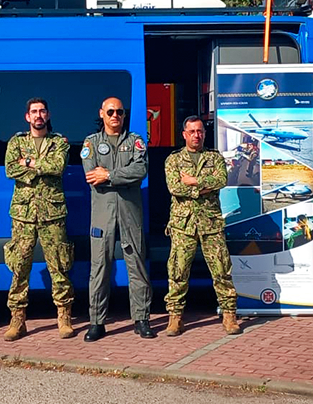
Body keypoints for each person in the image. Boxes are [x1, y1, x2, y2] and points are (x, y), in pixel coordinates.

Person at [80, 97, 154, 341]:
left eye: (119, 112)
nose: (115, 115)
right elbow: (91, 175)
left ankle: (141, 319)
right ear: (102, 113)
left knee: (137, 266)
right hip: (103, 216)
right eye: (110, 111)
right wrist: (117, 176)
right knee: (99, 268)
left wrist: (109, 174)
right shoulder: (92, 143)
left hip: (130, 214)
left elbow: (140, 171)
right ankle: (97, 322)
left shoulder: (135, 142)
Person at [2, 98, 74, 341]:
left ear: (48, 114)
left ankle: (64, 317)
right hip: (23, 215)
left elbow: (58, 166)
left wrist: (30, 163)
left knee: (59, 266)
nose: (38, 115)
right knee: (20, 266)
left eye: (42, 111)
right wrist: (41, 167)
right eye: (34, 112)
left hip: (52, 213)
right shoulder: (16, 142)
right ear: (27, 116)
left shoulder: (59, 142)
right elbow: (10, 169)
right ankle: (17, 320)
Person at [163, 116, 241, 336]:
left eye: (200, 131)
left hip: (210, 223)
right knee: (178, 271)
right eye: (192, 131)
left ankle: (229, 315)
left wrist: (194, 182)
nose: (197, 135)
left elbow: (221, 180)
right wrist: (204, 188)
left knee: (222, 270)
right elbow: (174, 187)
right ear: (184, 134)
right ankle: (175, 317)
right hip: (183, 224)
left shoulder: (214, 157)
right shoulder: (174, 160)